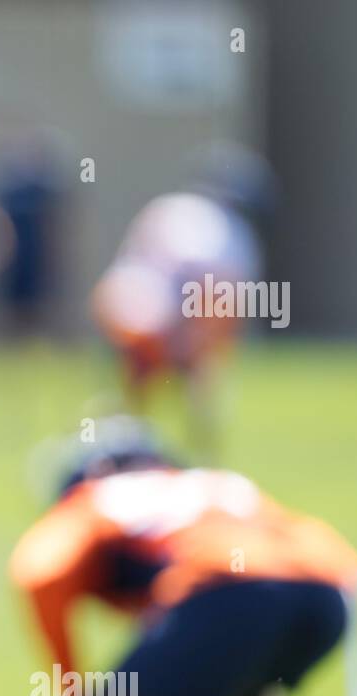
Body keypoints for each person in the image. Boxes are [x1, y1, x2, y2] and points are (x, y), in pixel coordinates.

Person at [9, 418, 357, 696]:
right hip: (330, 594)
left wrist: (70, 695)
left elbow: (38, 572)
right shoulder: (210, 483)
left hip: (228, 594)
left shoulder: (95, 498)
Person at [89, 143, 276, 459]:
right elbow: (215, 286)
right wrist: (197, 342)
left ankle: (117, 443)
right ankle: (184, 452)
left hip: (126, 306)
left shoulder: (169, 206)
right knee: (196, 381)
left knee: (137, 389)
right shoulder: (228, 230)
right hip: (164, 314)